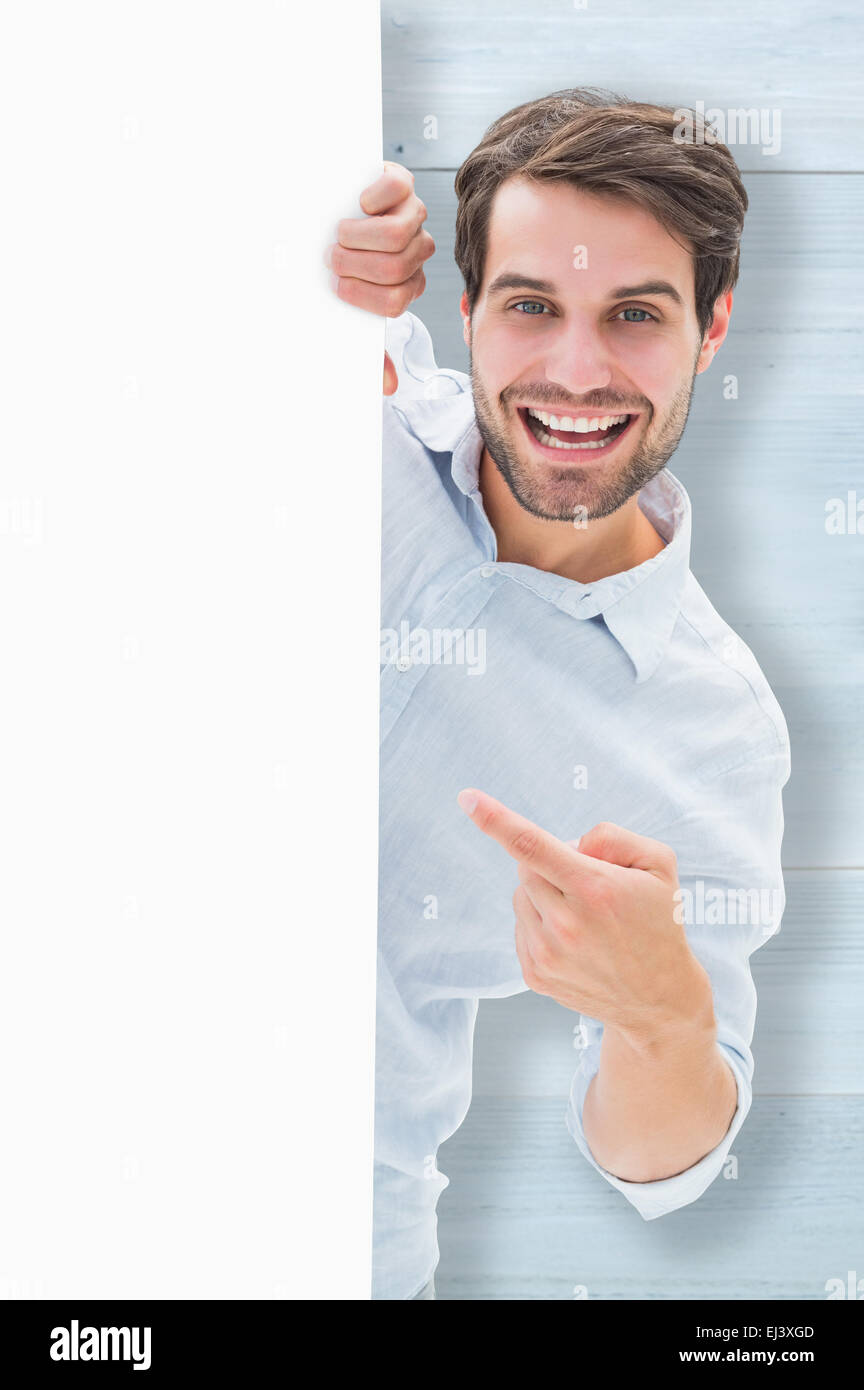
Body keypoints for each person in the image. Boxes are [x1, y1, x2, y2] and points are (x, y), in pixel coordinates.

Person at [328, 89, 790, 1301]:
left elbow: (662, 1164)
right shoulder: (340, 405)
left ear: (712, 329)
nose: (576, 374)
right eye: (532, 305)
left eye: (635, 315)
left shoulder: (713, 723)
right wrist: (298, 233)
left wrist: (661, 1021)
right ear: (465, 308)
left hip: (333, 1258)